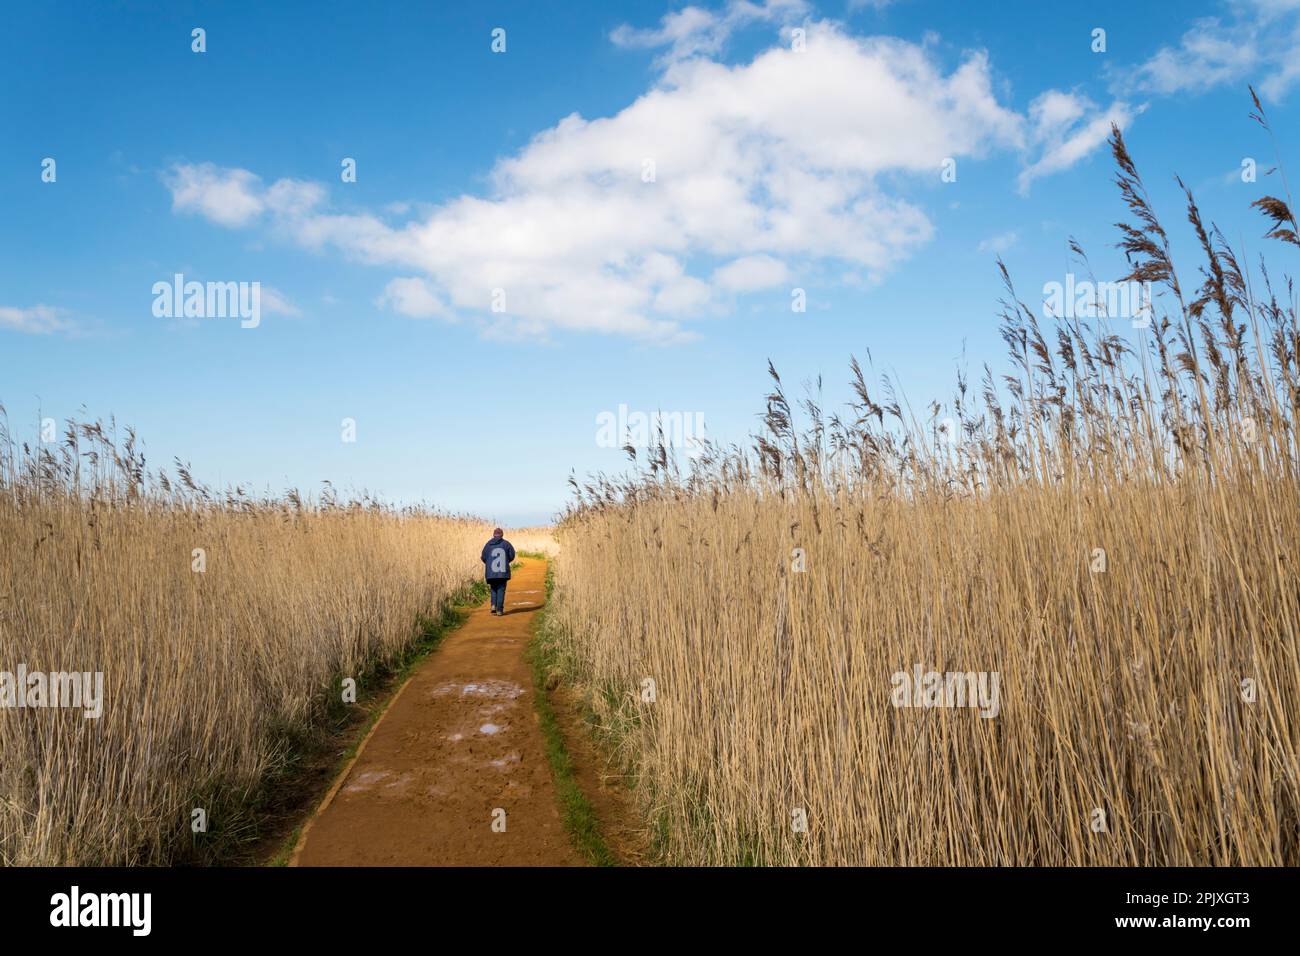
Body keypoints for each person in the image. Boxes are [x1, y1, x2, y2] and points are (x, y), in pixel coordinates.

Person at [481, 527, 516, 615]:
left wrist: (489, 563)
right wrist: (506, 561)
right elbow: (512, 555)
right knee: (501, 589)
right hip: (502, 572)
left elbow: (483, 557)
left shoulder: (488, 544)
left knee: (493, 588)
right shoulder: (506, 544)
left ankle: (493, 605)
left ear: (493, 535)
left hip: (491, 572)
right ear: (502, 535)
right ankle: (499, 610)